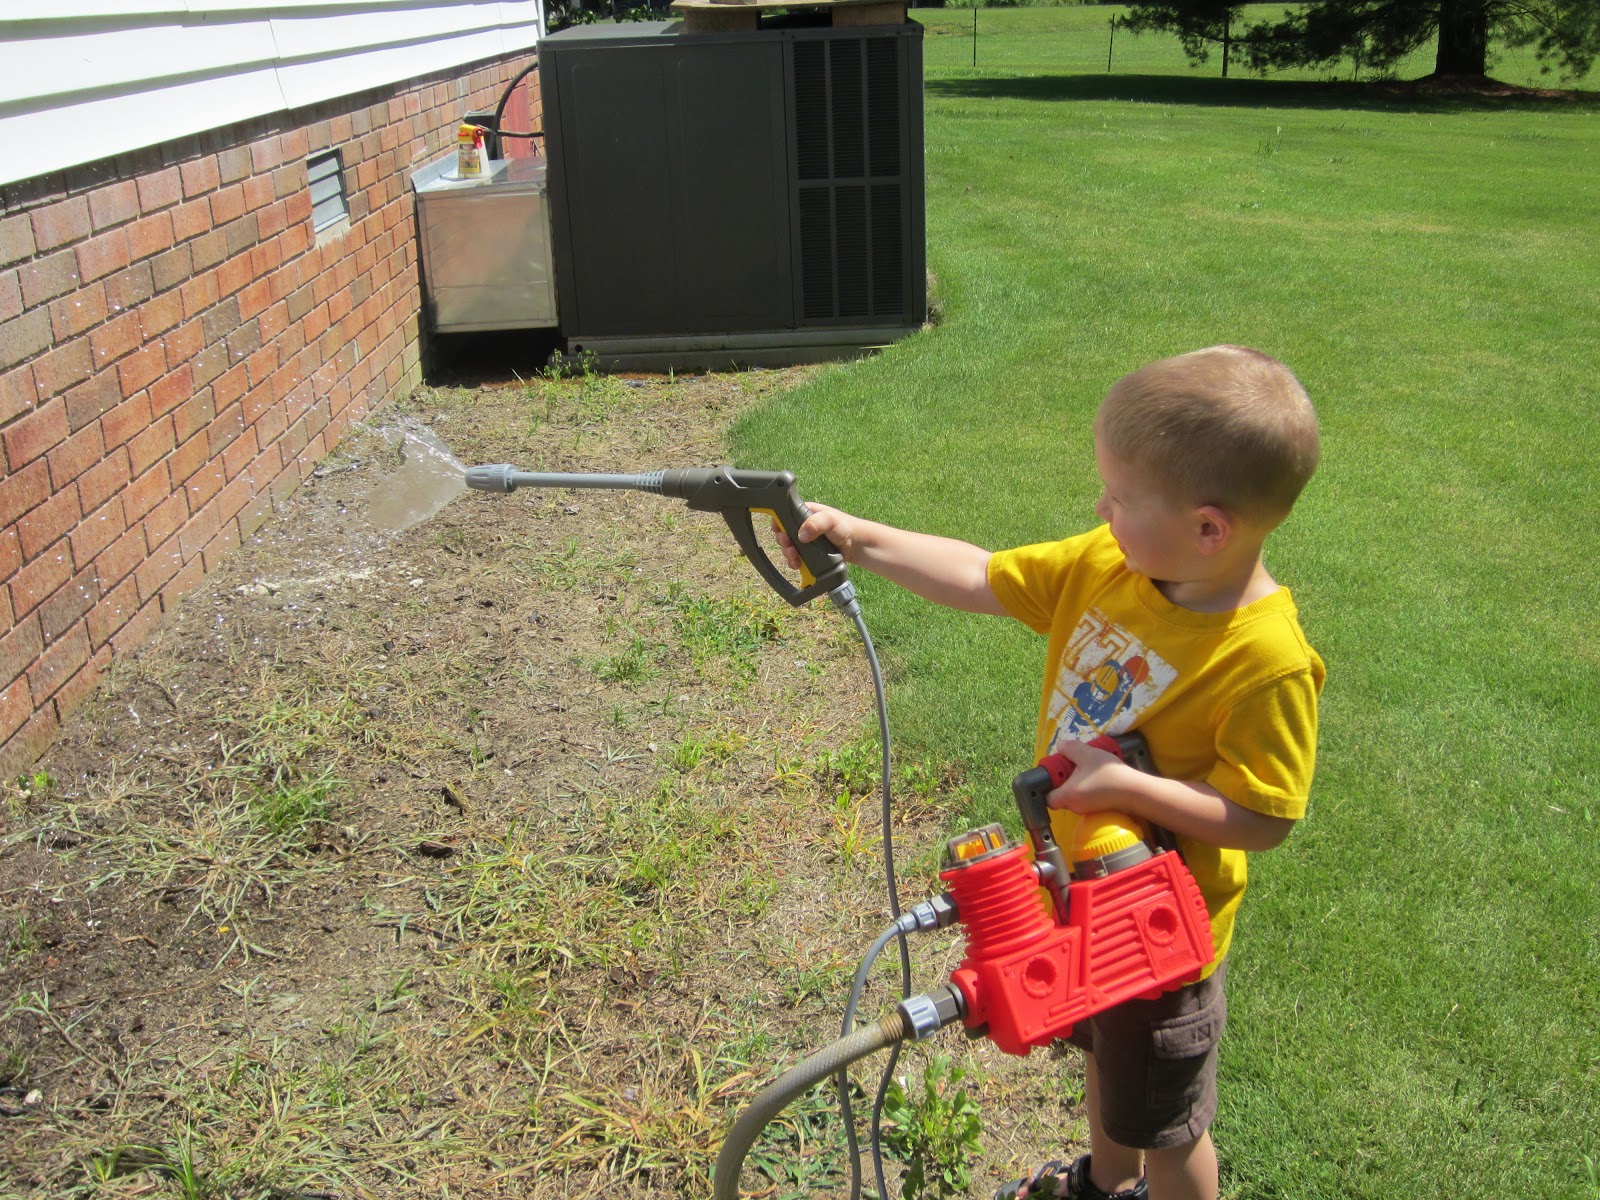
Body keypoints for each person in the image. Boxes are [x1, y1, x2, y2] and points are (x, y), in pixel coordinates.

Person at [776, 345, 1325, 1200]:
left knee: (1171, 1130)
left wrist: (1129, 789)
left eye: (1121, 497)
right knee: (1105, 1066)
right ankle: (1102, 1189)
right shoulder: (1114, 566)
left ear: (1209, 527)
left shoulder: (1266, 661)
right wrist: (861, 538)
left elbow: (1263, 818)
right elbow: (982, 575)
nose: (1100, 508)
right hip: (1075, 894)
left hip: (1161, 939)